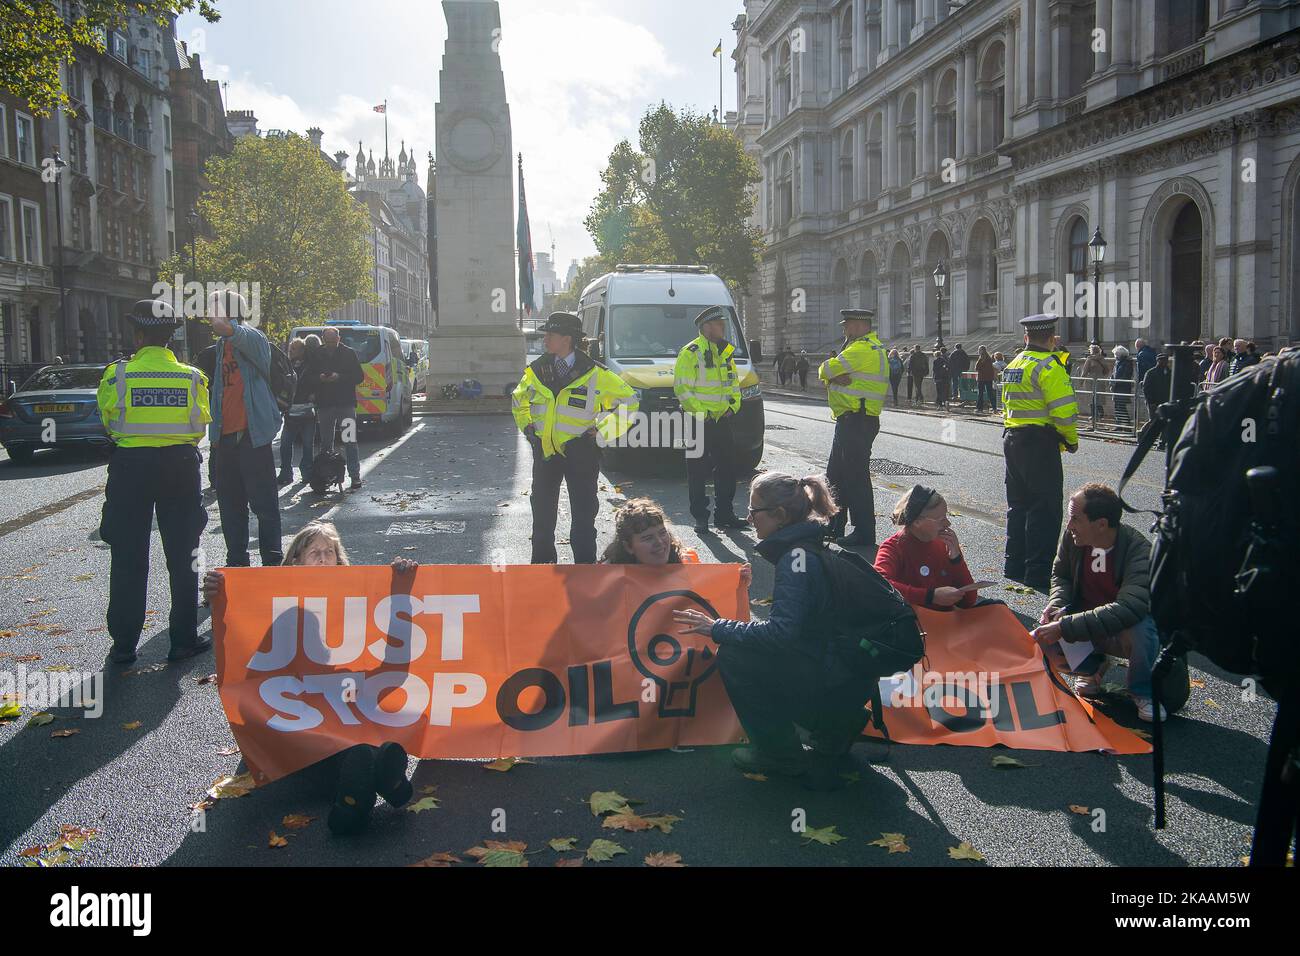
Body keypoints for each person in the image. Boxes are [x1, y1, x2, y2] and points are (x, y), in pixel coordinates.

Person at [202, 521, 417, 833]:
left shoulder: (358, 612)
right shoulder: (275, 610)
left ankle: (353, 801)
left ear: (341, 563)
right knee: (350, 747)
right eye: (314, 553)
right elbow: (237, 653)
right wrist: (220, 599)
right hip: (288, 721)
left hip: (338, 715)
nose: (322, 559)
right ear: (294, 563)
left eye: (329, 553)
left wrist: (400, 592)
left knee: (354, 740)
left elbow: (391, 670)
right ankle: (384, 778)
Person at [672, 472, 875, 791]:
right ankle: (836, 725)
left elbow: (782, 634)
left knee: (735, 655)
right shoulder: (813, 544)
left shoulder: (795, 560)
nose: (749, 518)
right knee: (754, 648)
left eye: (754, 511)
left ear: (779, 516)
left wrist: (717, 628)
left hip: (825, 673)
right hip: (846, 672)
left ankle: (779, 753)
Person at [96, 299, 211, 665]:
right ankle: (182, 640)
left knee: (128, 556)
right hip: (179, 466)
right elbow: (200, 425)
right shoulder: (192, 376)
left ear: (138, 333)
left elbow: (109, 421)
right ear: (170, 336)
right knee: (183, 557)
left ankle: (125, 645)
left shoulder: (118, 374)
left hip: (131, 467)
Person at [1032, 484, 1188, 722]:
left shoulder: (1138, 550)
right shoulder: (1072, 538)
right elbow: (1061, 575)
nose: (1069, 525)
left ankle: (1142, 692)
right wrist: (1057, 605)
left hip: (1122, 626)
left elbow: (1129, 609)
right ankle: (1094, 669)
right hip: (1087, 620)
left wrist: (1064, 627)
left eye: (1076, 518)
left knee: (1142, 632)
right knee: (1045, 639)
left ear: (1101, 524)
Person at [514, 312, 637, 563]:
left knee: (583, 517)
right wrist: (529, 430)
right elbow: (518, 400)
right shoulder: (537, 370)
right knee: (542, 518)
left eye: (550, 334)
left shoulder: (594, 373)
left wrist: (603, 431)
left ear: (566, 339)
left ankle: (585, 569)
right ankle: (542, 568)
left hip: (581, 451)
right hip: (545, 451)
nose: (545, 338)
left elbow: (630, 401)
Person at [1001, 313, 1079, 592]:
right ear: (1051, 338)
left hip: (1012, 438)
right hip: (1039, 442)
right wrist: (1070, 440)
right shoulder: (1050, 366)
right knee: (1044, 509)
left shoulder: (1014, 363)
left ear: (1026, 338)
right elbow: (1064, 411)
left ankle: (1014, 566)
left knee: (1018, 505)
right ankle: (1038, 573)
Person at [208, 290, 283, 568]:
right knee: (230, 507)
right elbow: (219, 392)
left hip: (253, 436)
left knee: (264, 506)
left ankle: (272, 562)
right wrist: (214, 437)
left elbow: (233, 330)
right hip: (226, 439)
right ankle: (237, 562)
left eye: (213, 308)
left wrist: (224, 321)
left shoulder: (253, 337)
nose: (208, 314)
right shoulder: (219, 347)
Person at [818, 309, 888, 549]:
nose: (844, 330)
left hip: (857, 420)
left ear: (858, 325)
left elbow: (825, 369)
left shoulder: (862, 349)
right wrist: (833, 377)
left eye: (846, 325)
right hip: (850, 419)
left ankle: (864, 531)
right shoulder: (864, 348)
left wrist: (830, 376)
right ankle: (834, 524)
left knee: (855, 477)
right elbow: (829, 372)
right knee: (835, 473)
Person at [673, 307, 747, 534]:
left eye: (722, 324)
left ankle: (725, 515)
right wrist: (702, 414)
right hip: (698, 421)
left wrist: (733, 406)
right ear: (706, 328)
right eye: (718, 324)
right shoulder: (691, 352)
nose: (722, 328)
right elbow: (682, 389)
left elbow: (733, 384)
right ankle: (701, 517)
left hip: (721, 420)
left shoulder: (725, 351)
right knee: (697, 471)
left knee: (727, 469)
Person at [874, 485, 978, 611]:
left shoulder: (944, 544)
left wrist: (956, 558)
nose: (947, 524)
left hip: (946, 620)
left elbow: (968, 601)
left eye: (946, 516)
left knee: (997, 607)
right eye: (941, 519)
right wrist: (930, 596)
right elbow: (878, 584)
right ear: (917, 522)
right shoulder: (893, 547)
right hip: (913, 622)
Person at [315, 326, 365, 490]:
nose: (330, 344)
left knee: (350, 440)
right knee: (326, 443)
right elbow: (309, 376)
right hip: (325, 405)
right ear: (323, 340)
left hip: (345, 404)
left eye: (332, 341)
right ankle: (326, 476)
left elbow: (359, 377)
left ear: (338, 339)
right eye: (327, 341)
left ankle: (355, 476)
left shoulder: (349, 353)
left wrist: (339, 377)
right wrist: (319, 378)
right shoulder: (317, 354)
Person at [278, 337, 317, 486]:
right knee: (285, 444)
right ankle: (286, 473)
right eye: (290, 349)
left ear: (302, 350)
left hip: (307, 410)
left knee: (308, 444)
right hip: (291, 411)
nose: (290, 351)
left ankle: (307, 473)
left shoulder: (310, 365)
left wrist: (314, 394)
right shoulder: (287, 366)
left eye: (294, 349)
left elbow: (315, 382)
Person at [1111, 345, 1135, 425]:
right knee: (1117, 407)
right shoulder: (1117, 362)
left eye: (1116, 354)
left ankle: (1127, 425)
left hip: (1123, 387)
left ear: (1120, 354)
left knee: (1121, 407)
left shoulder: (1127, 363)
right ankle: (1118, 425)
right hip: (1116, 387)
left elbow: (1126, 376)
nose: (1115, 356)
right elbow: (1113, 374)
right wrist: (1111, 382)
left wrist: (1116, 382)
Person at [975, 345, 998, 413]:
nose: (978, 351)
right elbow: (991, 368)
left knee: (980, 393)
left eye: (979, 350)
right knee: (990, 393)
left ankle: (979, 408)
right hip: (988, 378)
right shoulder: (989, 358)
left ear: (981, 350)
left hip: (981, 378)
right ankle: (994, 408)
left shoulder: (981, 358)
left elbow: (976, 368)